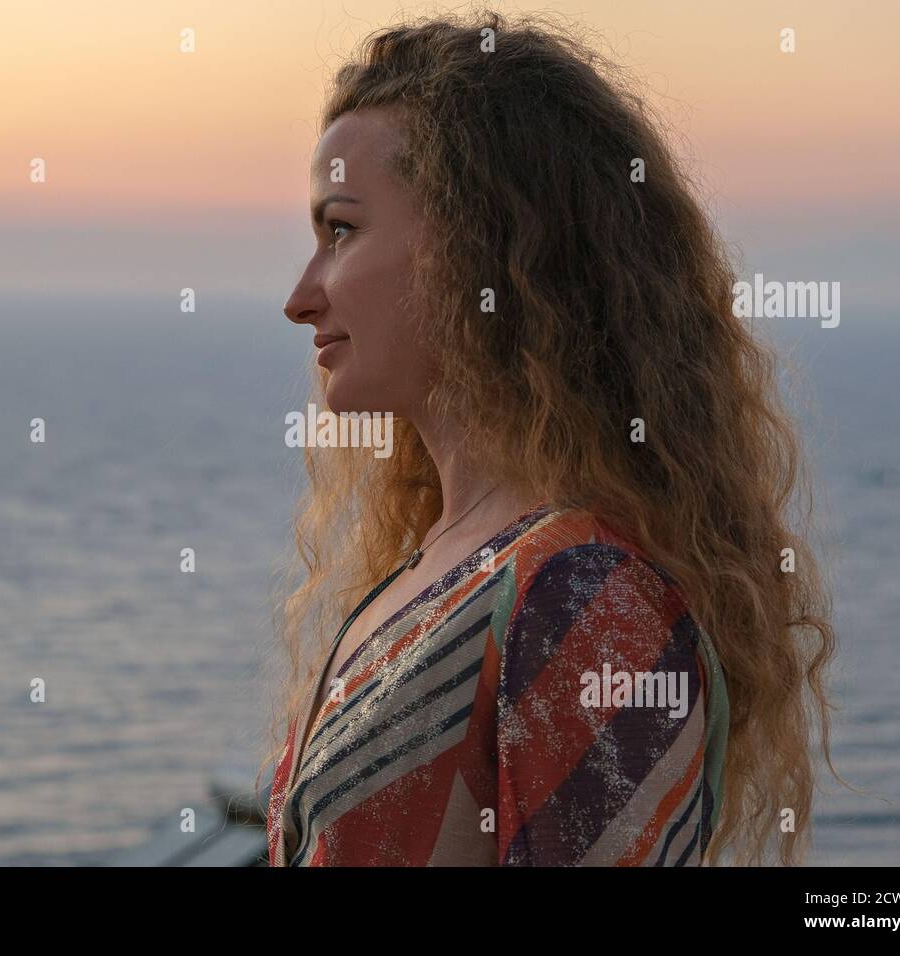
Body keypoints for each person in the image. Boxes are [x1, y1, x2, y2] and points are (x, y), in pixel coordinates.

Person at [261, 10, 836, 866]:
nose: (301, 296)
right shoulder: (442, 565)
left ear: (475, 245)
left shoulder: (584, 593)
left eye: (340, 230)